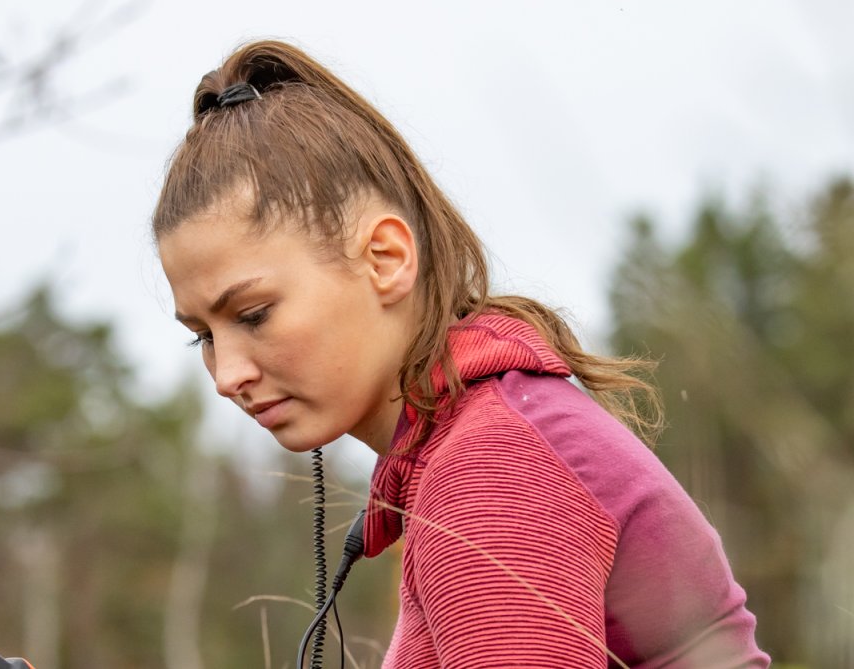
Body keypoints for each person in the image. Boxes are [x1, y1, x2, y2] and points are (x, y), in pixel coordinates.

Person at [153, 40, 770, 668]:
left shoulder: (491, 469)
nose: (227, 375)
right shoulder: (477, 440)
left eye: (253, 314)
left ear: (385, 259)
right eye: (204, 336)